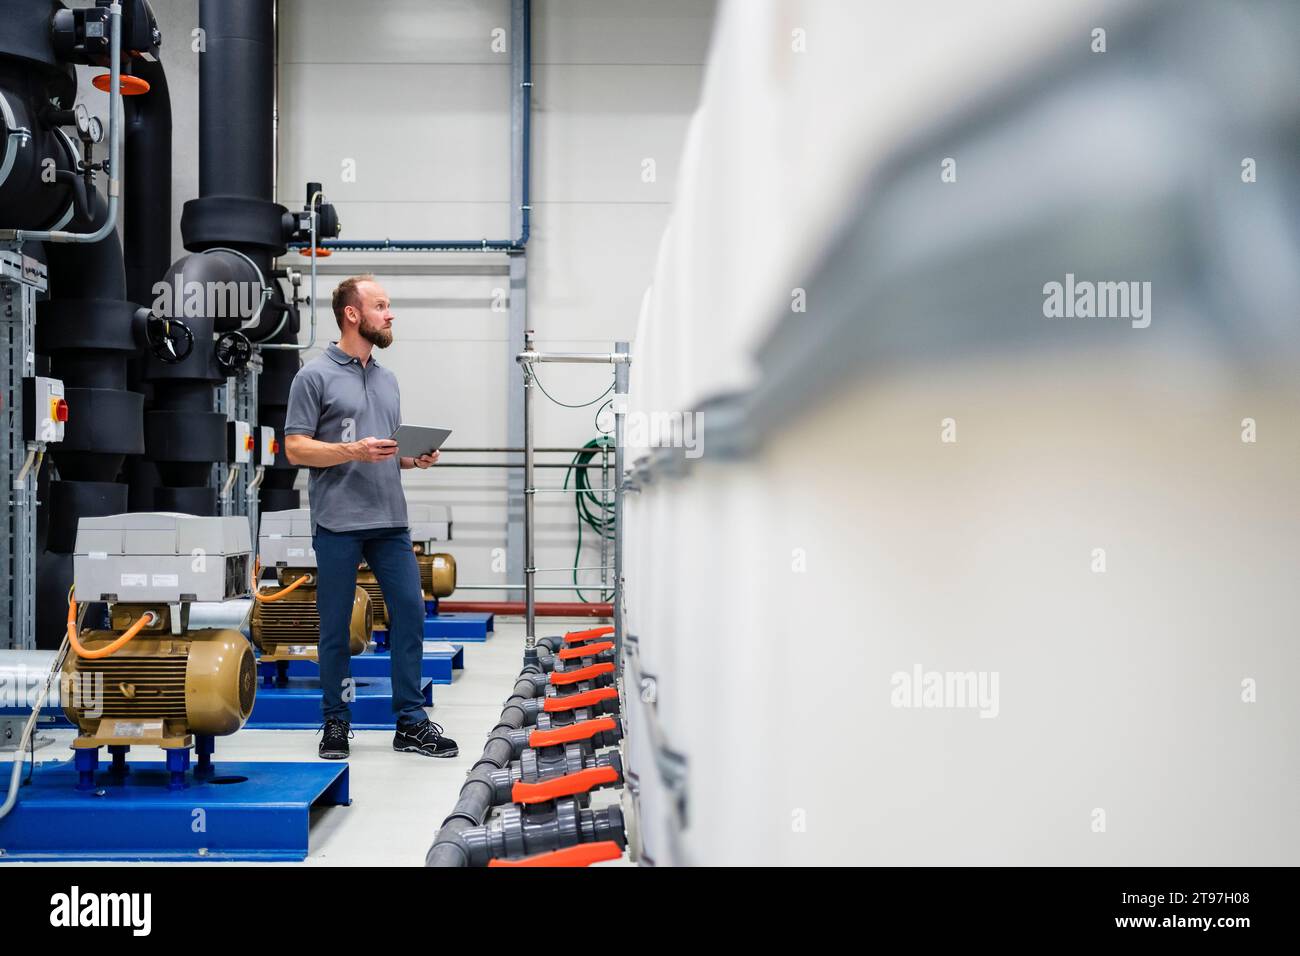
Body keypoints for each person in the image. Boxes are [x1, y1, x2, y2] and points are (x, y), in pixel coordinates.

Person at [283, 273, 457, 760]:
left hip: (389, 519)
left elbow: (387, 448)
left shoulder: (387, 379)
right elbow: (295, 448)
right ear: (352, 314)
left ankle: (411, 721)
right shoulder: (313, 376)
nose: (390, 313)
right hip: (338, 521)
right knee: (336, 627)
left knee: (410, 614)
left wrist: (412, 457)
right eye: (381, 305)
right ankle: (336, 722)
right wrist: (352, 449)